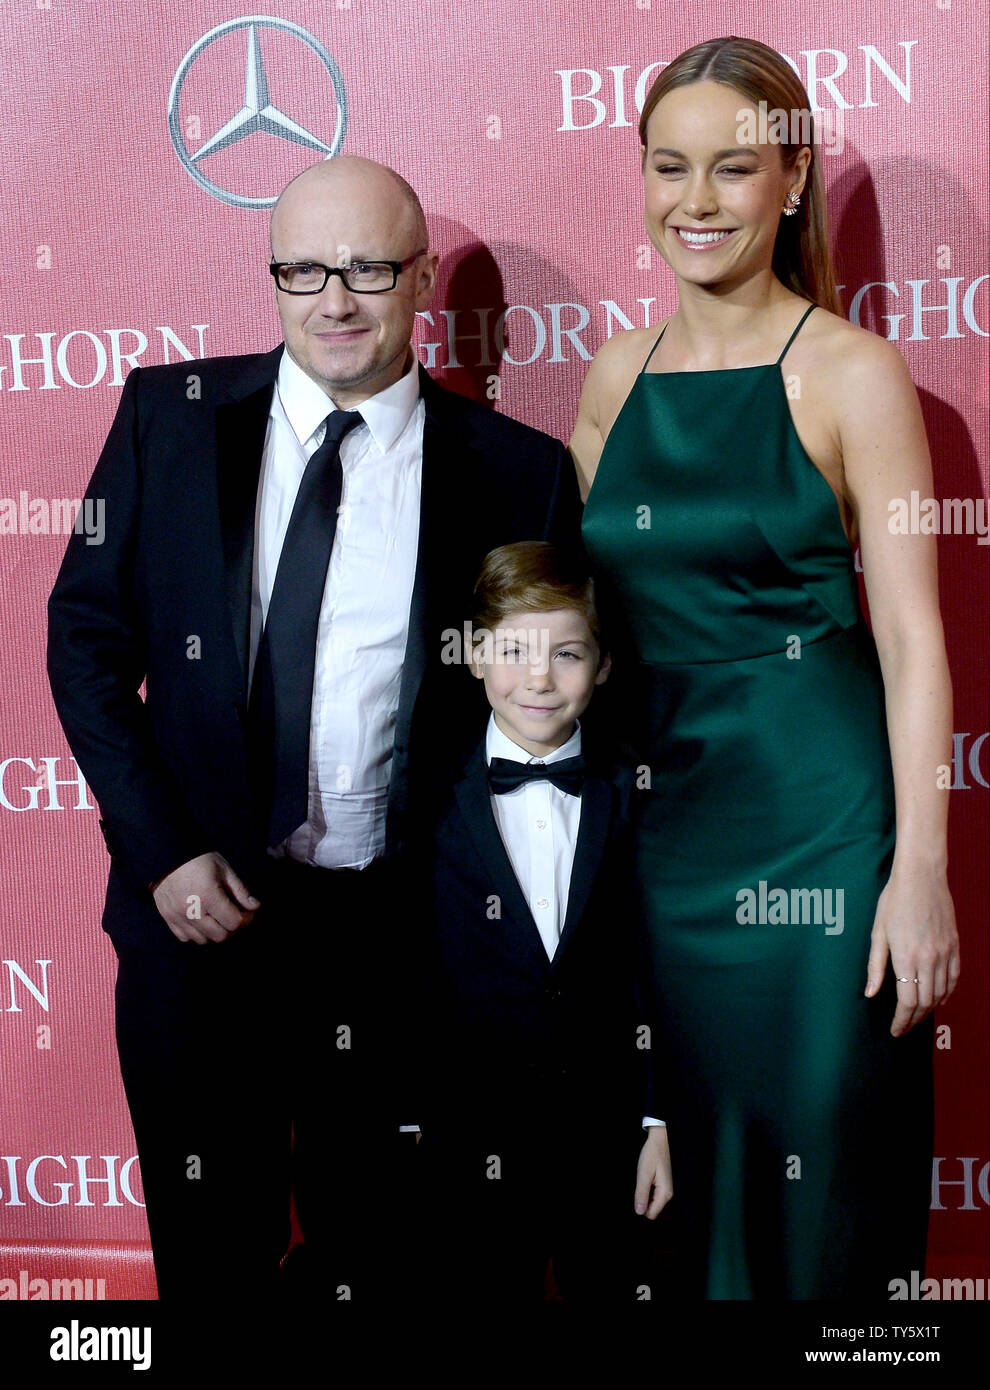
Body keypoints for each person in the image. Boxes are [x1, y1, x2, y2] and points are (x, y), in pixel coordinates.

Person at [46, 155, 582, 1300]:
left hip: (400, 948)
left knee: (385, 1263)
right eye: (302, 270)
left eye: (368, 269)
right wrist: (162, 853)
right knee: (209, 1254)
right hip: (200, 923)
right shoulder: (166, 417)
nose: (333, 300)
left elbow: (538, 720)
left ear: (423, 278)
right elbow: (85, 640)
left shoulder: (517, 475)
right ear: (273, 276)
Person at [570, 36, 960, 1299]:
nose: (696, 201)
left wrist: (922, 871)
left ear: (789, 181)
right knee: (695, 1187)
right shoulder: (613, 377)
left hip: (824, 835)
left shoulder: (854, 373)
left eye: (732, 169)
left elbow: (909, 640)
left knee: (827, 1172)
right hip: (668, 834)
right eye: (670, 167)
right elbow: (593, 630)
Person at [409, 541, 672, 1301]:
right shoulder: (424, 795)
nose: (538, 677)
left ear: (605, 664)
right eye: (514, 649)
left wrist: (660, 1120)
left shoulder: (638, 790)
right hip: (467, 1139)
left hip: (611, 1139)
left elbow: (659, 971)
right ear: (475, 654)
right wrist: (410, 1121)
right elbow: (405, 965)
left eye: (567, 653)